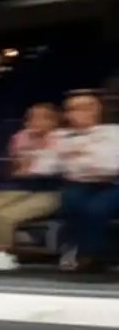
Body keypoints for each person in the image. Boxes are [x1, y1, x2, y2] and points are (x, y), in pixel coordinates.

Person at [0, 103, 62, 270]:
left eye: (43, 117)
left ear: (55, 121)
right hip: (17, 187)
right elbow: (13, 169)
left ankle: (2, 255)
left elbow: (47, 168)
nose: (35, 121)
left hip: (50, 190)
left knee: (5, 217)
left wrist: (31, 165)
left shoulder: (62, 139)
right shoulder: (20, 138)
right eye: (31, 118)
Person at [55, 90, 119, 272]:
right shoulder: (61, 136)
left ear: (97, 110)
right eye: (73, 109)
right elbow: (56, 165)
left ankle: (91, 256)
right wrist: (86, 156)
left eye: (85, 108)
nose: (78, 113)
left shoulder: (114, 133)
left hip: (113, 183)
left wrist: (80, 156)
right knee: (70, 203)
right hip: (77, 183)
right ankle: (73, 249)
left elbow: (111, 166)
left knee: (96, 209)